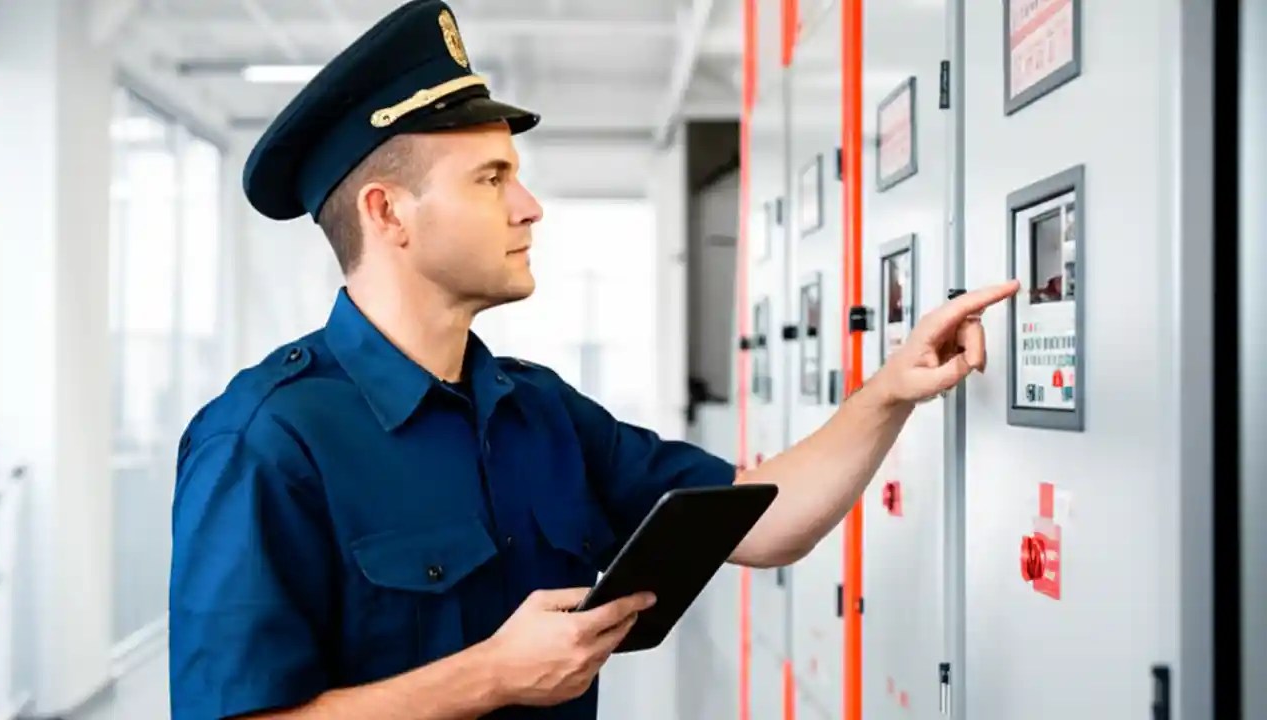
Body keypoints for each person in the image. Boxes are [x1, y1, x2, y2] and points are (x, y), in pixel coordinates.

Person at [166, 1, 1020, 718]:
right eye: (491, 179)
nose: (529, 207)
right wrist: (491, 676)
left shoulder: (537, 411)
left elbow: (767, 520)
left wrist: (892, 389)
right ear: (390, 214)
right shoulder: (264, 441)